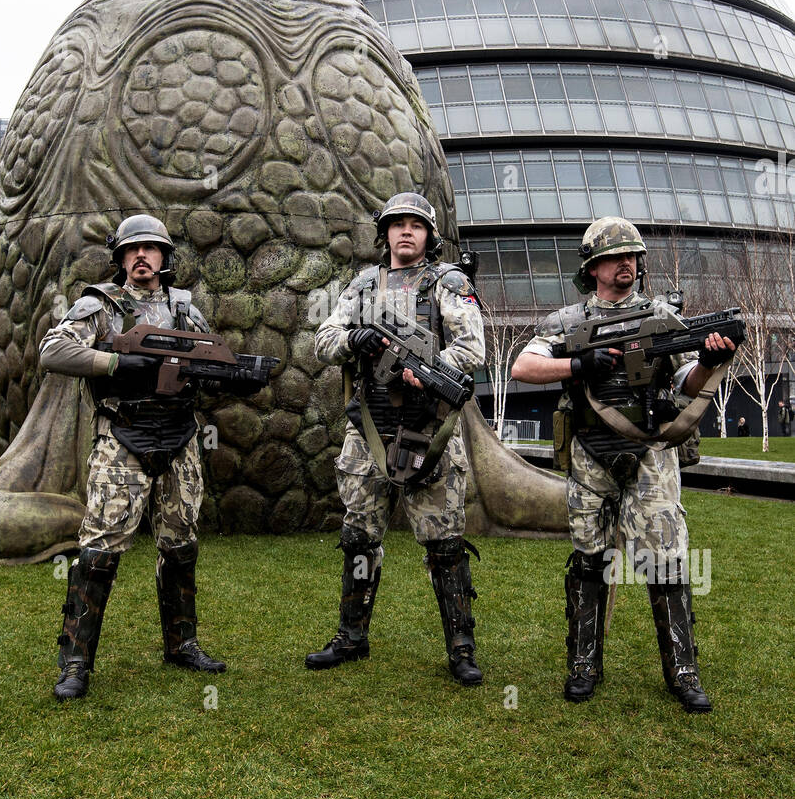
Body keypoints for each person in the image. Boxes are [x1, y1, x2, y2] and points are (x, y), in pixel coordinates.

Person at [511, 217, 738, 713]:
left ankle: (683, 669)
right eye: (616, 258)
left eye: (633, 257)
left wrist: (709, 359)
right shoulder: (566, 323)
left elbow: (687, 386)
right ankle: (583, 663)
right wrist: (578, 365)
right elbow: (522, 368)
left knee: (666, 562)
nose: (627, 265)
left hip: (651, 452)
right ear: (593, 267)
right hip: (590, 453)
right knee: (589, 559)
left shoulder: (661, 317)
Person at [40, 214, 229, 700]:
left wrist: (212, 376)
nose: (142, 256)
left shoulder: (185, 309)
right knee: (99, 549)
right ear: (120, 258)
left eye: (151, 249)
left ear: (165, 257)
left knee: (181, 543)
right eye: (132, 249)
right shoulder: (99, 305)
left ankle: (182, 643)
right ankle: (76, 663)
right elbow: (53, 350)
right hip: (122, 435)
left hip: (180, 437)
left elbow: (211, 361)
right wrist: (117, 361)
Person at [306, 192, 486, 685]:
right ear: (384, 233)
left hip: (431, 433)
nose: (406, 232)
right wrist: (353, 340)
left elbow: (472, 346)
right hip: (369, 431)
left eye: (416, 225)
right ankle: (351, 637)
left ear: (429, 235)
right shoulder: (363, 285)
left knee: (445, 544)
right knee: (359, 538)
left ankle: (462, 647)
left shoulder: (449, 283)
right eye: (397, 224)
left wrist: (430, 373)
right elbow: (323, 340)